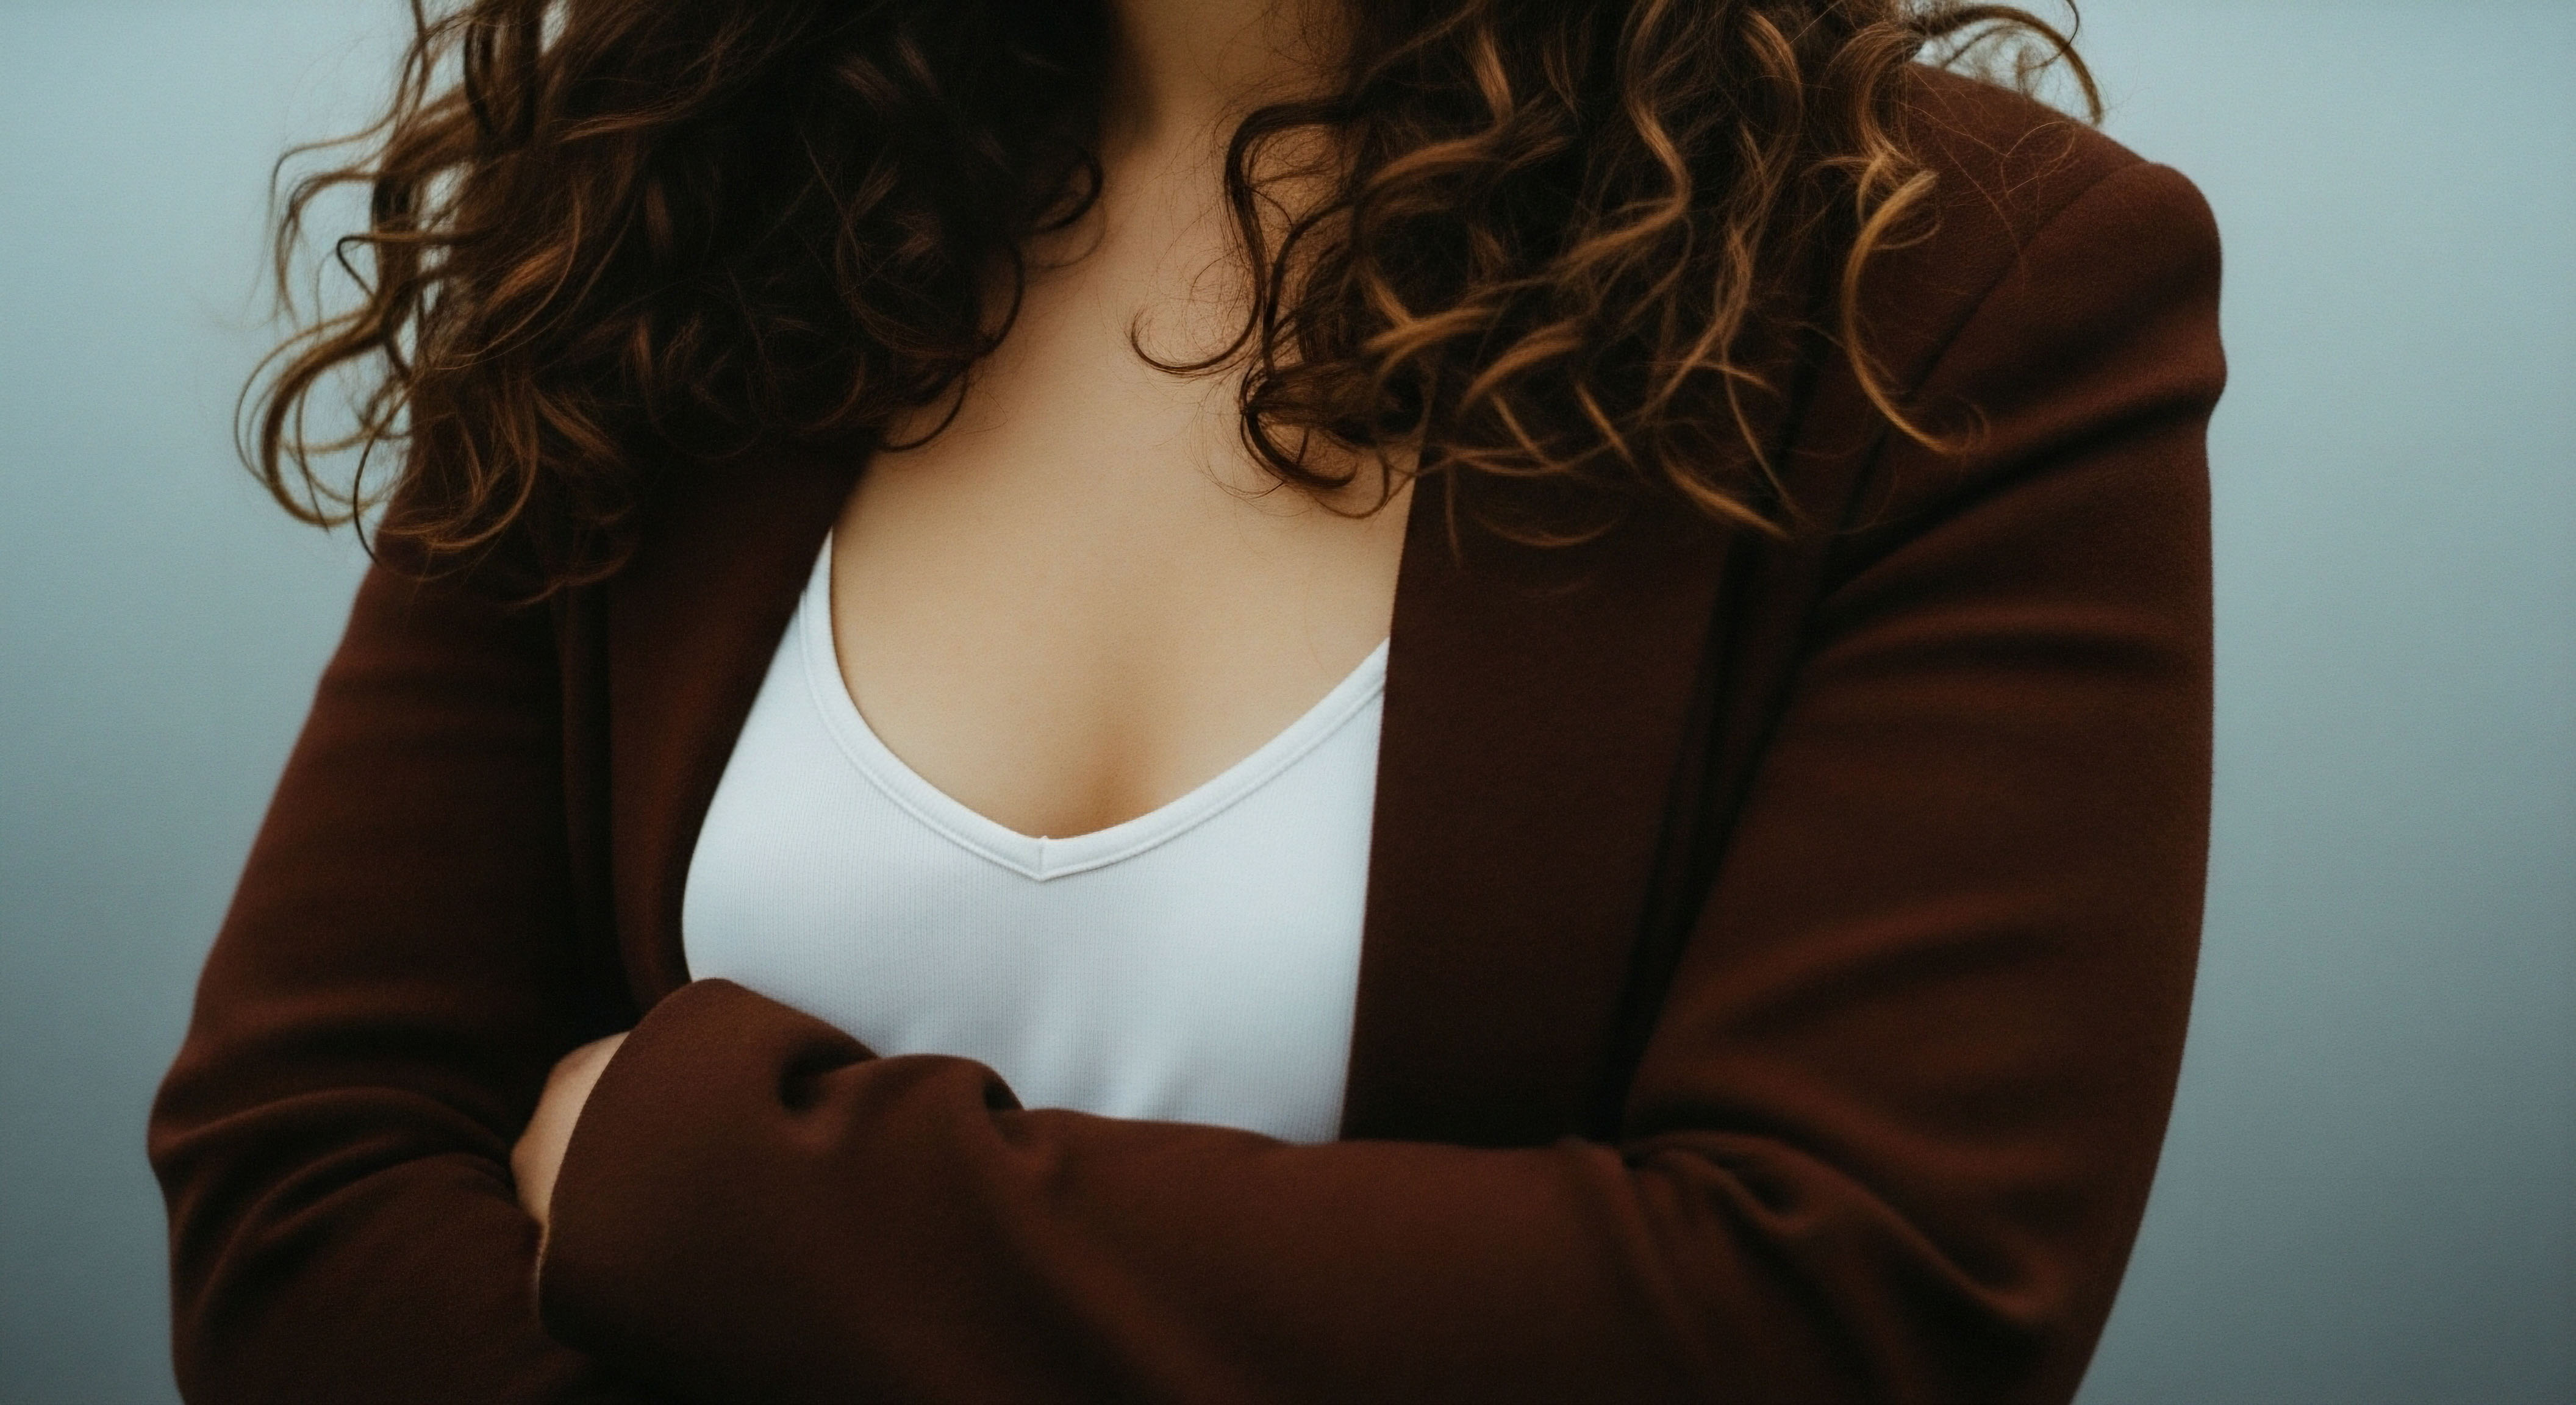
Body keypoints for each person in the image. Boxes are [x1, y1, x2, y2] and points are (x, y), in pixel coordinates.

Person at [148, 0, 2225, 1400]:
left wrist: (687, 1183)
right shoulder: (682, 167)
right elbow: (301, 1176)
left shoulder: (1955, 298)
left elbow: (1847, 1318)